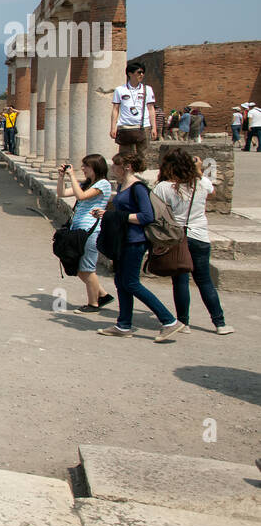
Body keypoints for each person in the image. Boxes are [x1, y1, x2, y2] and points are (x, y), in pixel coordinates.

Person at [93, 153, 183, 341]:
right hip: (123, 239)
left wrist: (117, 217)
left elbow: (146, 216)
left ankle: (169, 321)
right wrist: (106, 214)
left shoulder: (138, 187)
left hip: (136, 241)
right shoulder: (121, 185)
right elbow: (122, 211)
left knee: (131, 283)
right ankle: (123, 324)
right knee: (120, 282)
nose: (112, 169)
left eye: (115, 165)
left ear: (126, 166)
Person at [154, 149, 233, 335]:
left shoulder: (163, 187)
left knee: (180, 281)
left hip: (175, 237)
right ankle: (219, 323)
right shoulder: (201, 183)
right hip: (199, 236)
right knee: (204, 280)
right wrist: (198, 170)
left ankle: (183, 322)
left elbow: (156, 212)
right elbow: (212, 193)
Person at [56, 154, 115, 313]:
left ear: (95, 167)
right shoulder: (87, 184)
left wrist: (72, 176)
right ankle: (103, 295)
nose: (83, 169)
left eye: (86, 166)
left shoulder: (103, 184)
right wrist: (61, 177)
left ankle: (93, 304)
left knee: (87, 268)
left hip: (91, 230)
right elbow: (62, 193)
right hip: (78, 230)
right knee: (78, 268)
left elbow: (81, 196)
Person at [111, 60, 158, 162]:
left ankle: (140, 175)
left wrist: (154, 127)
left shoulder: (148, 89)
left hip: (143, 126)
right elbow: (115, 109)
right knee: (125, 156)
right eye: (139, 72)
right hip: (125, 126)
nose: (141, 74)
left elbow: (151, 109)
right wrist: (113, 127)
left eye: (142, 72)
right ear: (130, 74)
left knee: (143, 156)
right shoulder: (120, 90)